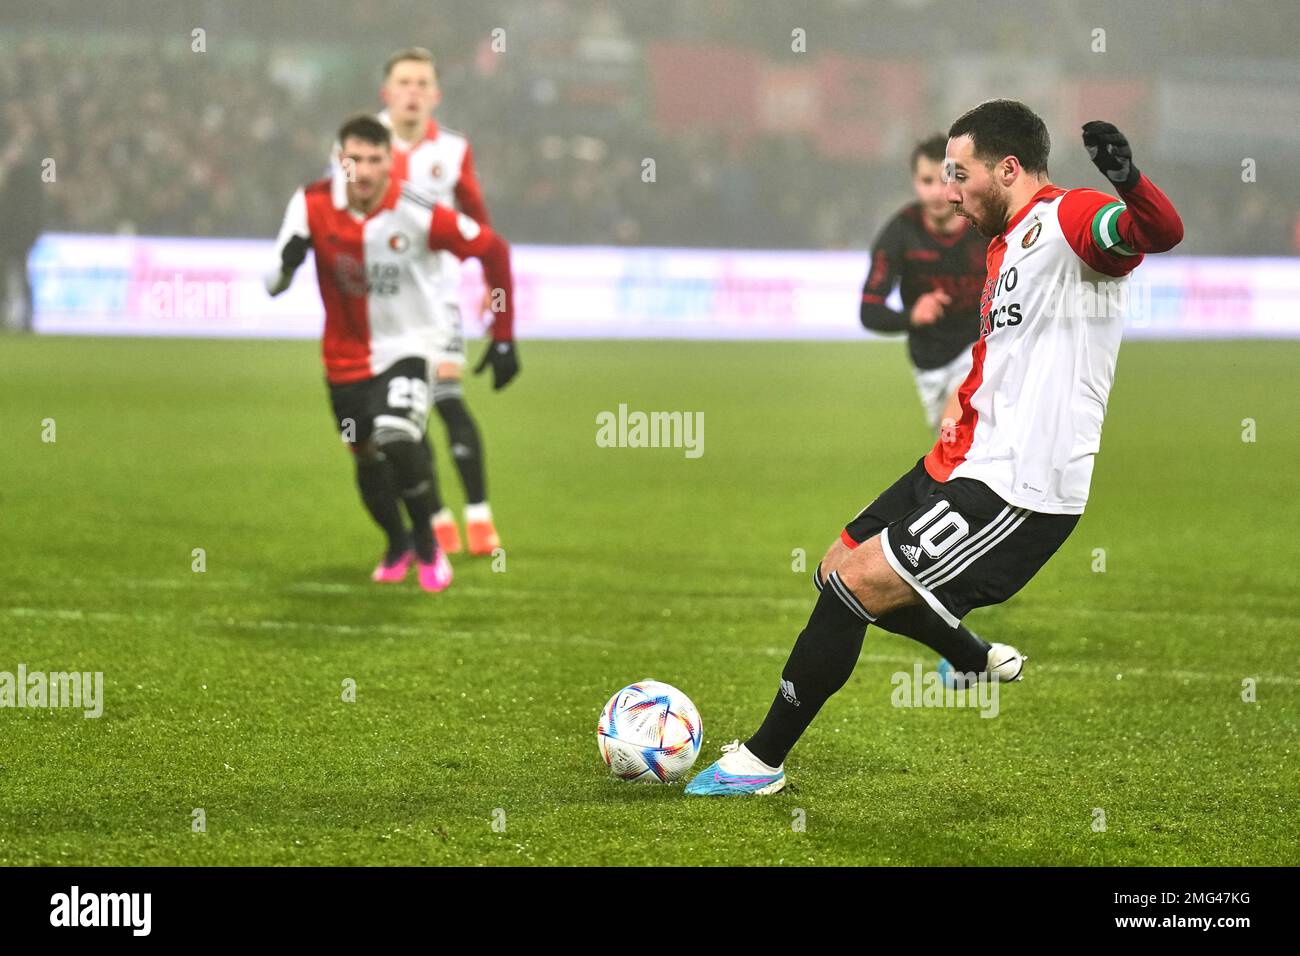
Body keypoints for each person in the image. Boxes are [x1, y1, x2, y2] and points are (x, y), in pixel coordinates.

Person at [685, 101, 1183, 796]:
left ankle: (761, 761)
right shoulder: (1003, 245)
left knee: (858, 586)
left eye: (962, 174)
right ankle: (970, 658)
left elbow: (1156, 232)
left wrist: (1128, 180)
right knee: (835, 567)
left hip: (1021, 485)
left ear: (1008, 169)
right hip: (964, 457)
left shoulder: (1071, 220)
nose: (950, 191)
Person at [268, 115, 518, 591]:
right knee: (365, 456)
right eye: (353, 160)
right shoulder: (310, 203)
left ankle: (428, 541)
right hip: (343, 361)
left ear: (390, 163)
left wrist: (504, 334)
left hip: (409, 346)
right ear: (338, 160)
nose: (362, 171)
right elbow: (273, 285)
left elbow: (494, 249)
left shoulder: (418, 211)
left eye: (374, 160)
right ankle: (396, 542)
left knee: (398, 438)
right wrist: (287, 263)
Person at [860, 135, 987, 434]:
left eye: (946, 180)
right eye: (926, 181)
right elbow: (869, 311)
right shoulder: (900, 233)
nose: (936, 192)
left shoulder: (985, 226)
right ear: (914, 182)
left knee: (958, 435)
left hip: (980, 351)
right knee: (954, 453)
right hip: (929, 363)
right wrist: (912, 316)